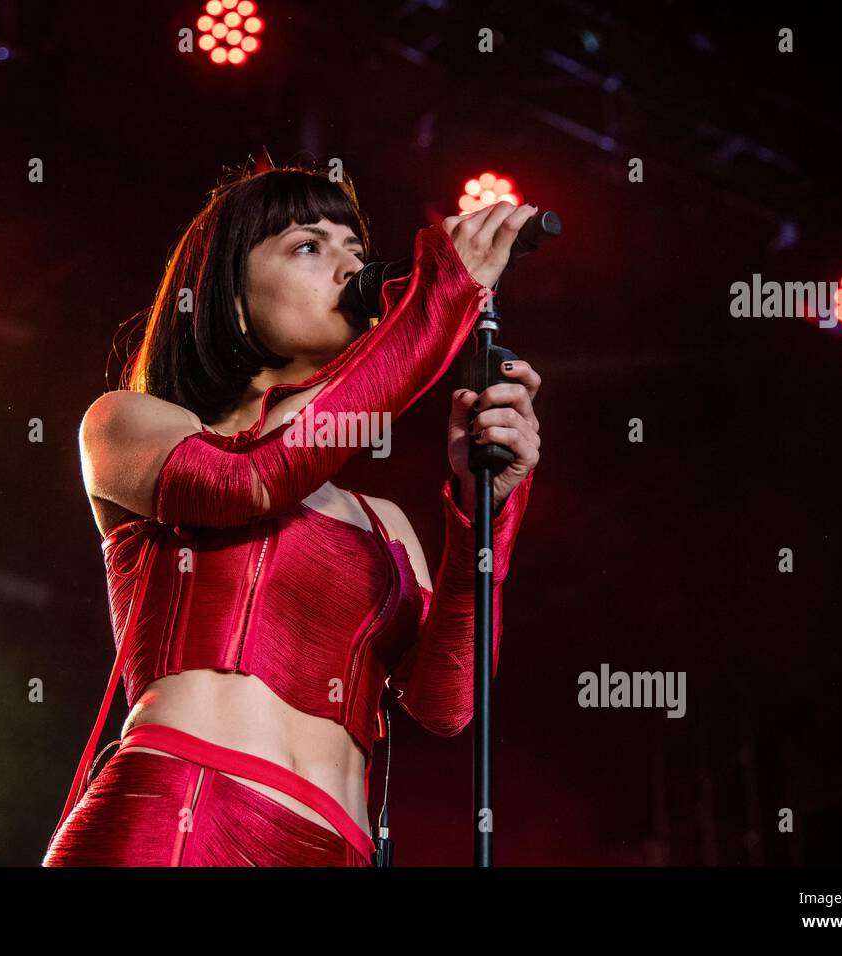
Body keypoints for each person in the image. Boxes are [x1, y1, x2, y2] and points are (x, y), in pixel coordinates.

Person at [42, 164, 541, 866]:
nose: (348, 266)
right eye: (308, 245)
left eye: (355, 249)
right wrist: (441, 297)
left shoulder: (384, 522)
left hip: (342, 848)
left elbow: (444, 702)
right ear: (232, 298)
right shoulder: (127, 423)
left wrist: (483, 509)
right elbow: (249, 481)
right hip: (183, 815)